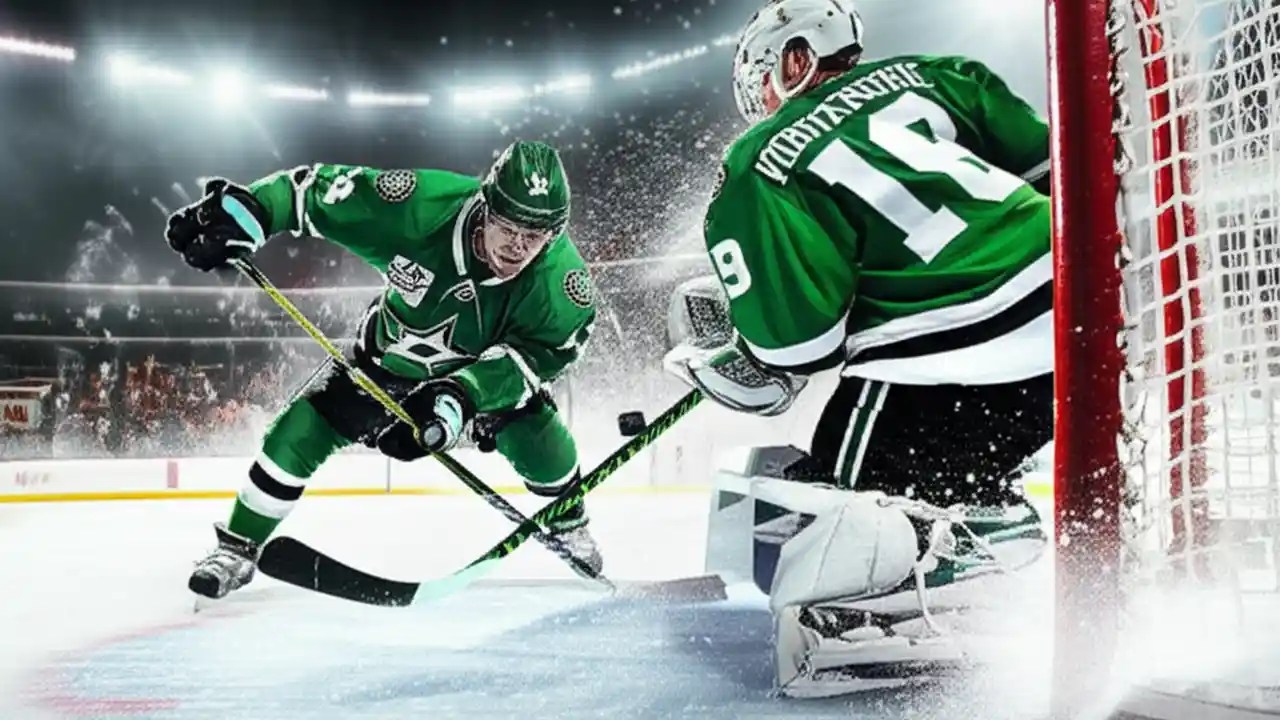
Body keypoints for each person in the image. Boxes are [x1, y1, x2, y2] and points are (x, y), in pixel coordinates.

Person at [664, 0, 1053, 695]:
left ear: (793, 60)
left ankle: (950, 564)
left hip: (958, 349)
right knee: (950, 464)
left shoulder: (761, 160)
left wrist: (733, 345)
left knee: (833, 495)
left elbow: (799, 347)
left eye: (760, 79)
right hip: (1075, 319)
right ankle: (988, 515)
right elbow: (1048, 166)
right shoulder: (934, 74)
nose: (759, 102)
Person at [165, 140, 603, 600]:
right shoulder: (417, 205)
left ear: (553, 235)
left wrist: (455, 402)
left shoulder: (564, 288)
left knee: (542, 437)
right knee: (296, 432)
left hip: (482, 380)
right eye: (509, 227)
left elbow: (534, 361)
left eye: (536, 236)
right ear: (484, 206)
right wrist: (250, 211)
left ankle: (569, 524)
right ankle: (237, 548)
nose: (518, 247)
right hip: (388, 362)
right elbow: (310, 193)